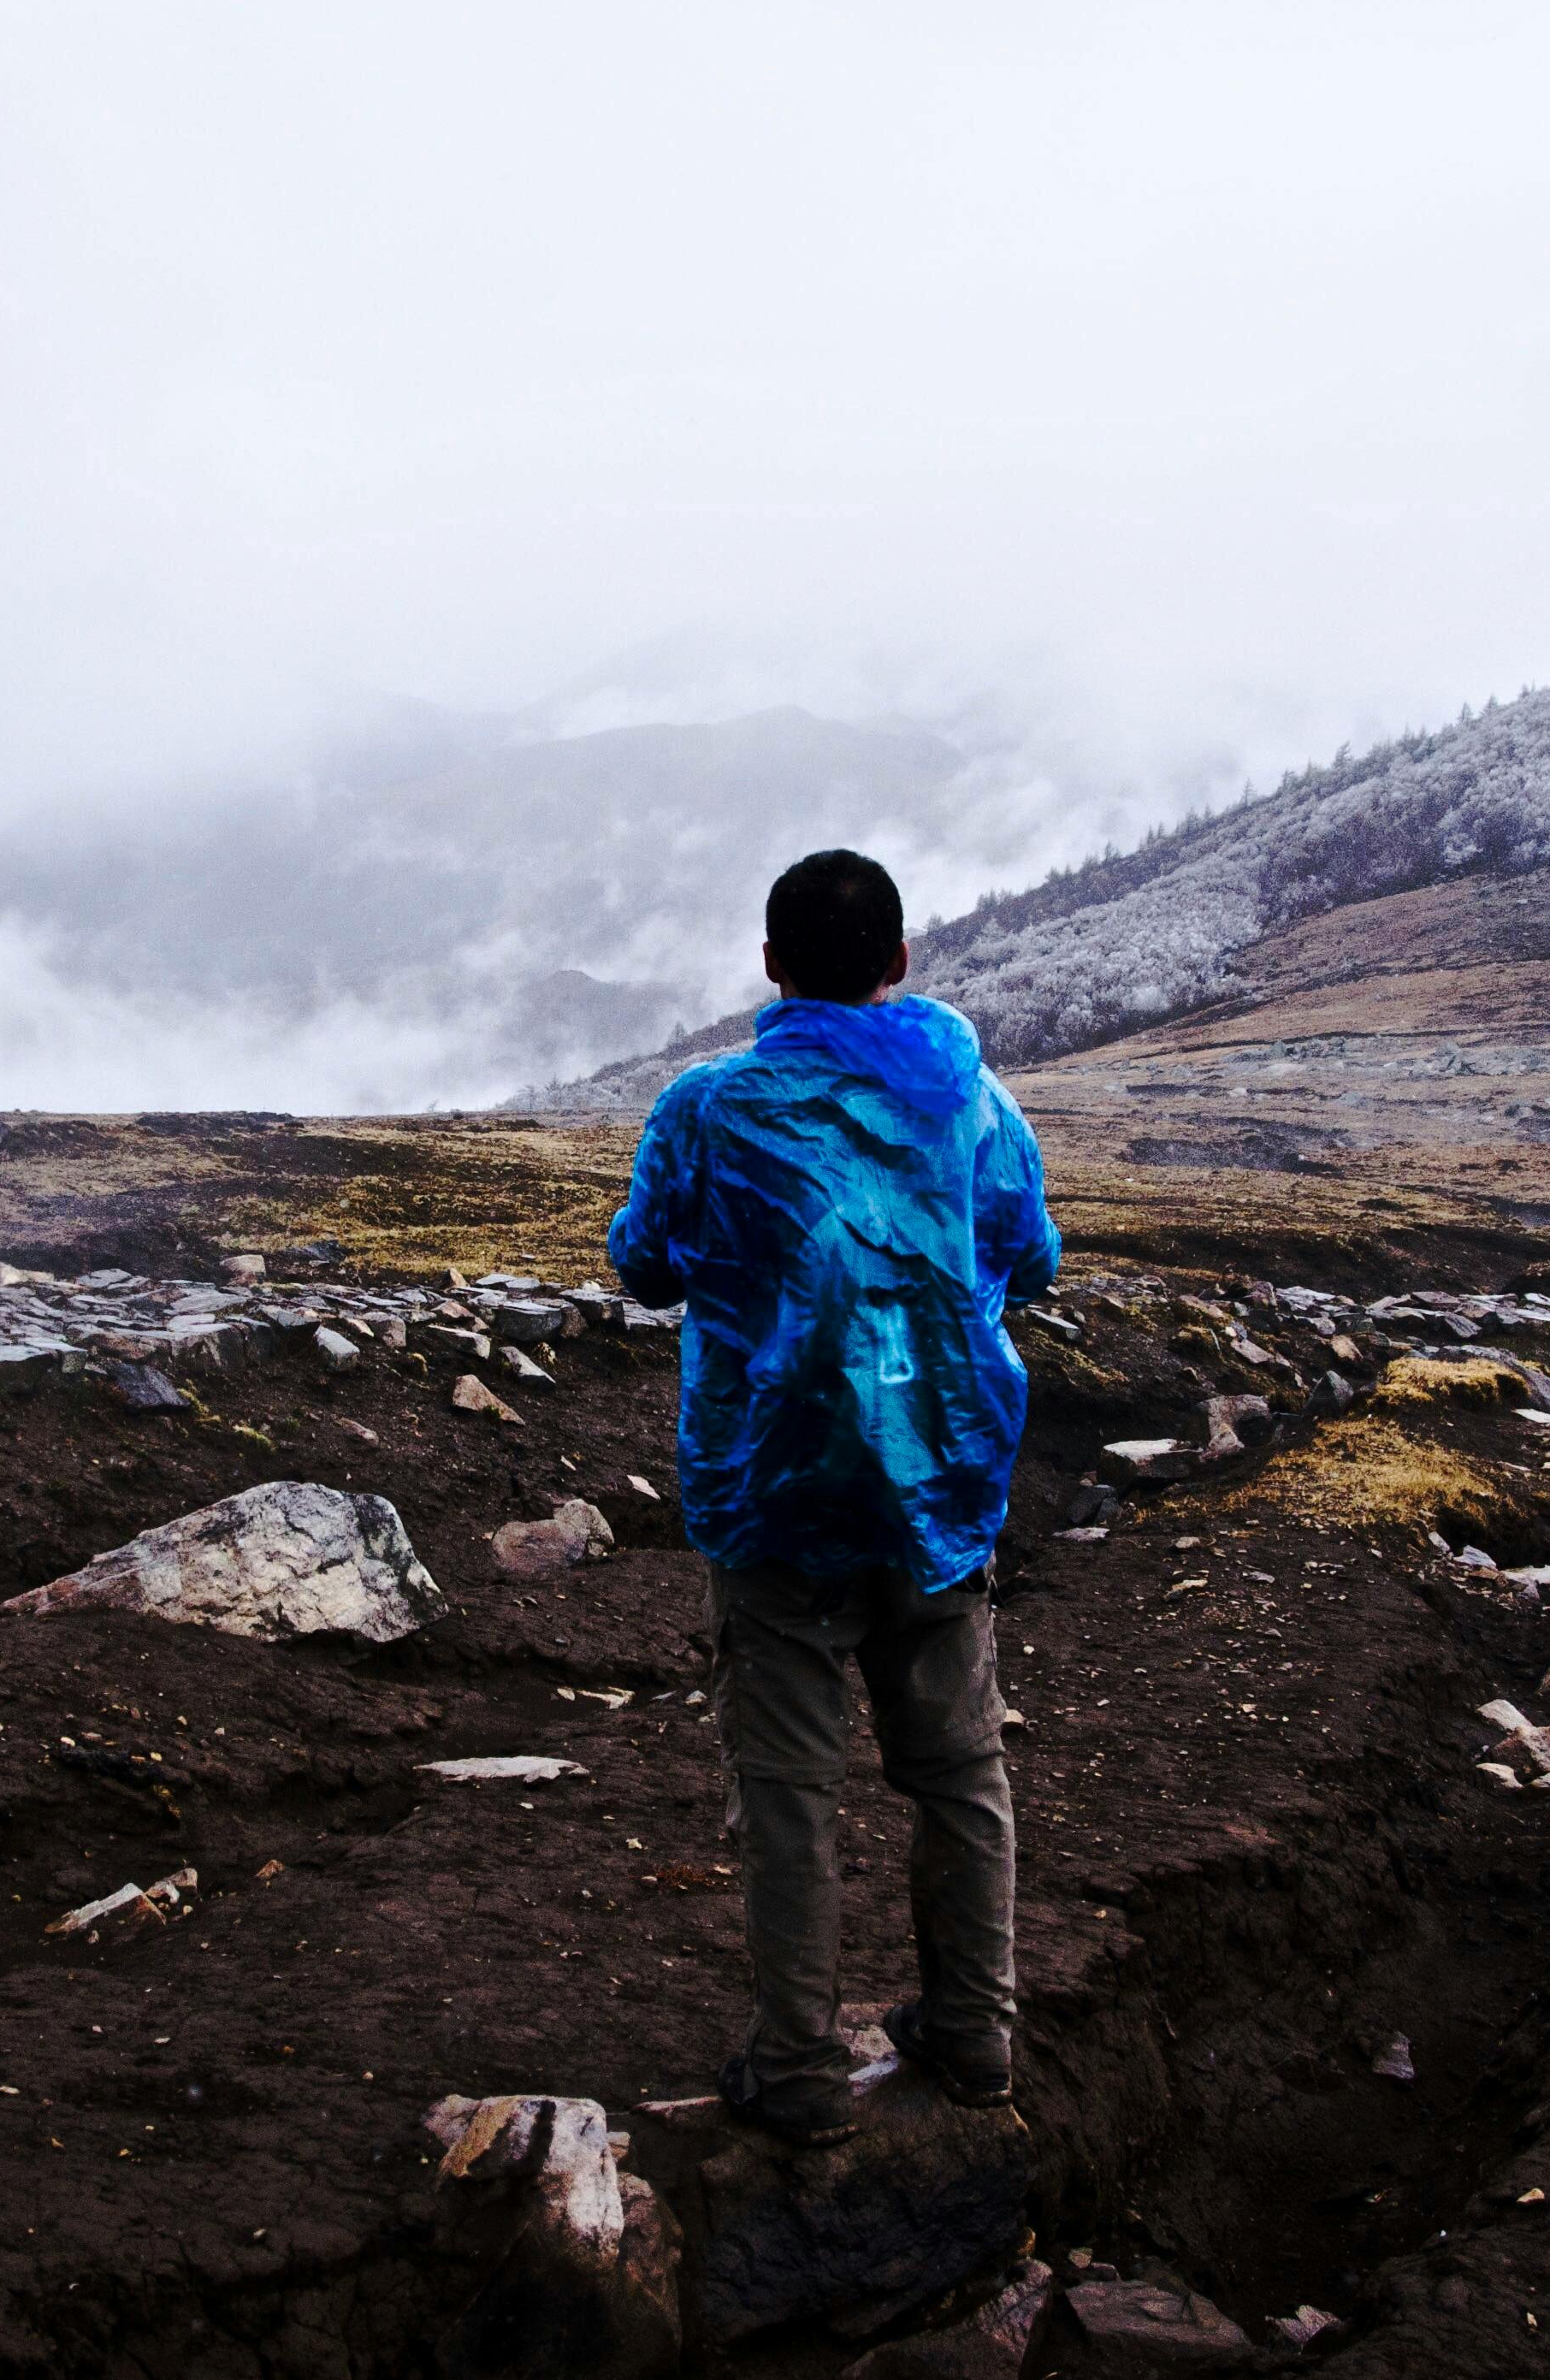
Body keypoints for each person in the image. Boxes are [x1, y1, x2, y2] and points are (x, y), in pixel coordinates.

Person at [606, 849, 1061, 2146]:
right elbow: (1031, 1257)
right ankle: (975, 2038)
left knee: (791, 1792)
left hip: (774, 1494)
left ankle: (800, 2072)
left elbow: (642, 1266)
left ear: (770, 964)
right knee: (962, 1771)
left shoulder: (708, 1108)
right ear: (901, 960)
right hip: (941, 1481)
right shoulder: (978, 1107)